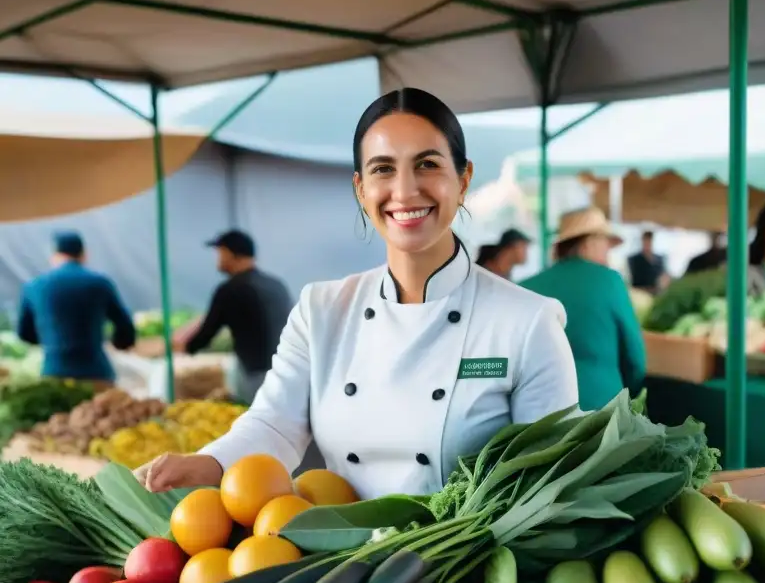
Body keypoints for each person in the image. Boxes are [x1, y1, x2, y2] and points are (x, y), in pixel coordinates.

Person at [138, 88, 579, 498]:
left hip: (461, 567)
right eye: (383, 169)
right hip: (338, 560)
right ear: (360, 189)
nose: (405, 191)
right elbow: (275, 424)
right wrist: (205, 463)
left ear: (463, 180)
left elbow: (546, 484)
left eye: (427, 164)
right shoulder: (322, 310)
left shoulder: (527, 322)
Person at [520, 207, 646, 411]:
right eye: (606, 244)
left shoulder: (526, 286)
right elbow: (635, 358)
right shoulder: (609, 281)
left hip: (538, 413)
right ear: (589, 243)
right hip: (600, 412)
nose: (608, 253)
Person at [174, 230, 292, 404]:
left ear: (228, 253)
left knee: (254, 423)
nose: (218, 259)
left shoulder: (230, 290)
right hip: (288, 372)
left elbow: (206, 333)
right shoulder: (276, 284)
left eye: (220, 253)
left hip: (256, 376)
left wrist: (184, 347)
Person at [17, 231, 135, 386]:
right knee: (101, 410)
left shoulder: (34, 287)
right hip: (96, 373)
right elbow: (126, 330)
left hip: (55, 374)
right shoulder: (100, 283)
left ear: (54, 255)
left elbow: (25, 334)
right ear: (84, 254)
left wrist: (53, 341)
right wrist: (118, 343)